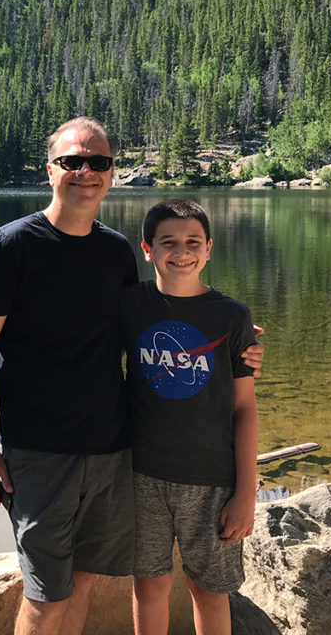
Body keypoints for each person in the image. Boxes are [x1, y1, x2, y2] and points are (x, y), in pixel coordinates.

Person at [0, 117, 264, 635]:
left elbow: (149, 323)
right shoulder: (11, 246)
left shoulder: (115, 251)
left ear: (112, 172)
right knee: (45, 595)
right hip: (40, 450)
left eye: (97, 162)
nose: (85, 171)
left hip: (112, 449)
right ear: (49, 170)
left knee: (83, 582)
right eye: (71, 161)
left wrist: (237, 343)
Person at [121, 199, 258, 635]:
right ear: (147, 249)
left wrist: (246, 494)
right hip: (141, 474)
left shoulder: (232, 317)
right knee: (149, 586)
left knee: (210, 590)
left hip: (212, 480)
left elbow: (244, 407)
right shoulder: (130, 305)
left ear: (210, 248)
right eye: (169, 242)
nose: (181, 251)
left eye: (192, 242)